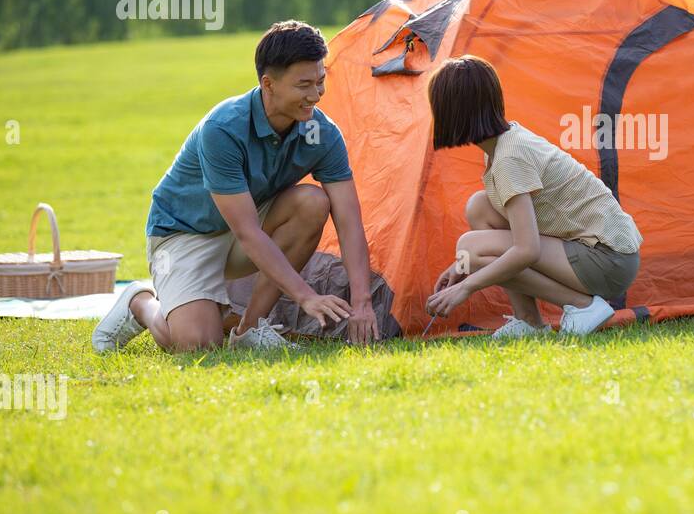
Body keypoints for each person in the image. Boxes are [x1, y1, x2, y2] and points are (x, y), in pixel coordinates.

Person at [92, 20, 379, 352]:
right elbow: (248, 232)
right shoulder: (224, 128)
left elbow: (349, 219)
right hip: (185, 234)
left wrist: (362, 302)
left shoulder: (322, 133)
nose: (315, 95)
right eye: (304, 85)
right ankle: (140, 303)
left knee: (313, 203)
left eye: (320, 81)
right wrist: (306, 296)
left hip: (246, 228)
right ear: (268, 83)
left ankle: (248, 330)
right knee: (197, 344)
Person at [424, 55, 642, 337]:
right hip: (594, 251)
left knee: (472, 245)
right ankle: (528, 321)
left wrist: (467, 284)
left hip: (608, 259)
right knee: (479, 208)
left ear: (455, 112)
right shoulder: (503, 142)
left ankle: (582, 306)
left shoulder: (508, 158)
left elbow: (526, 250)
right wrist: (460, 265)